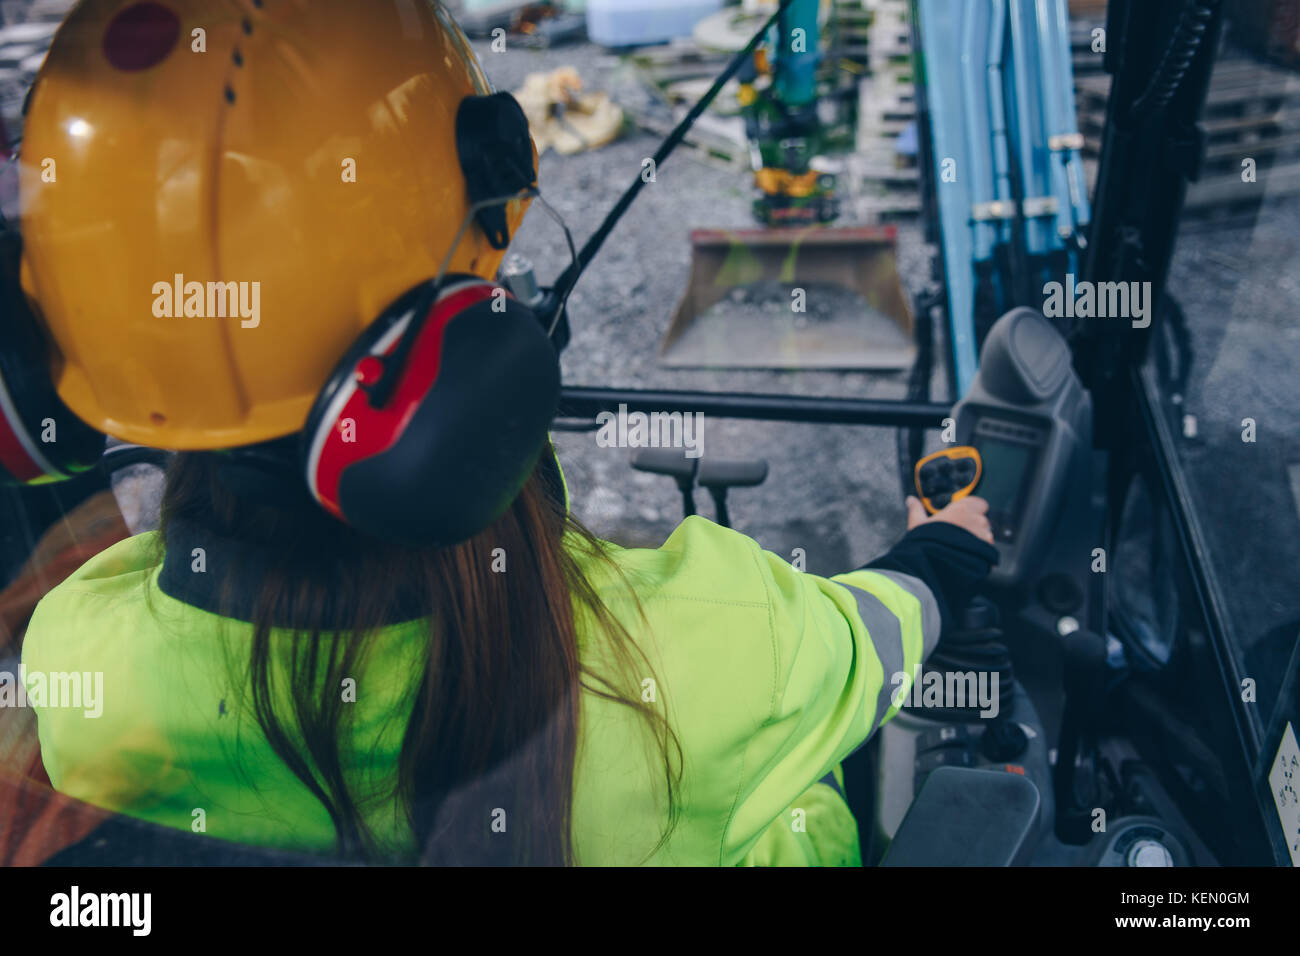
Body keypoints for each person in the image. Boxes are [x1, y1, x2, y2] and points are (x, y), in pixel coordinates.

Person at [17, 0, 997, 866]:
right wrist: (946, 547)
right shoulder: (725, 645)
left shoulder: (75, 665)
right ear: (463, 350)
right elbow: (878, 633)